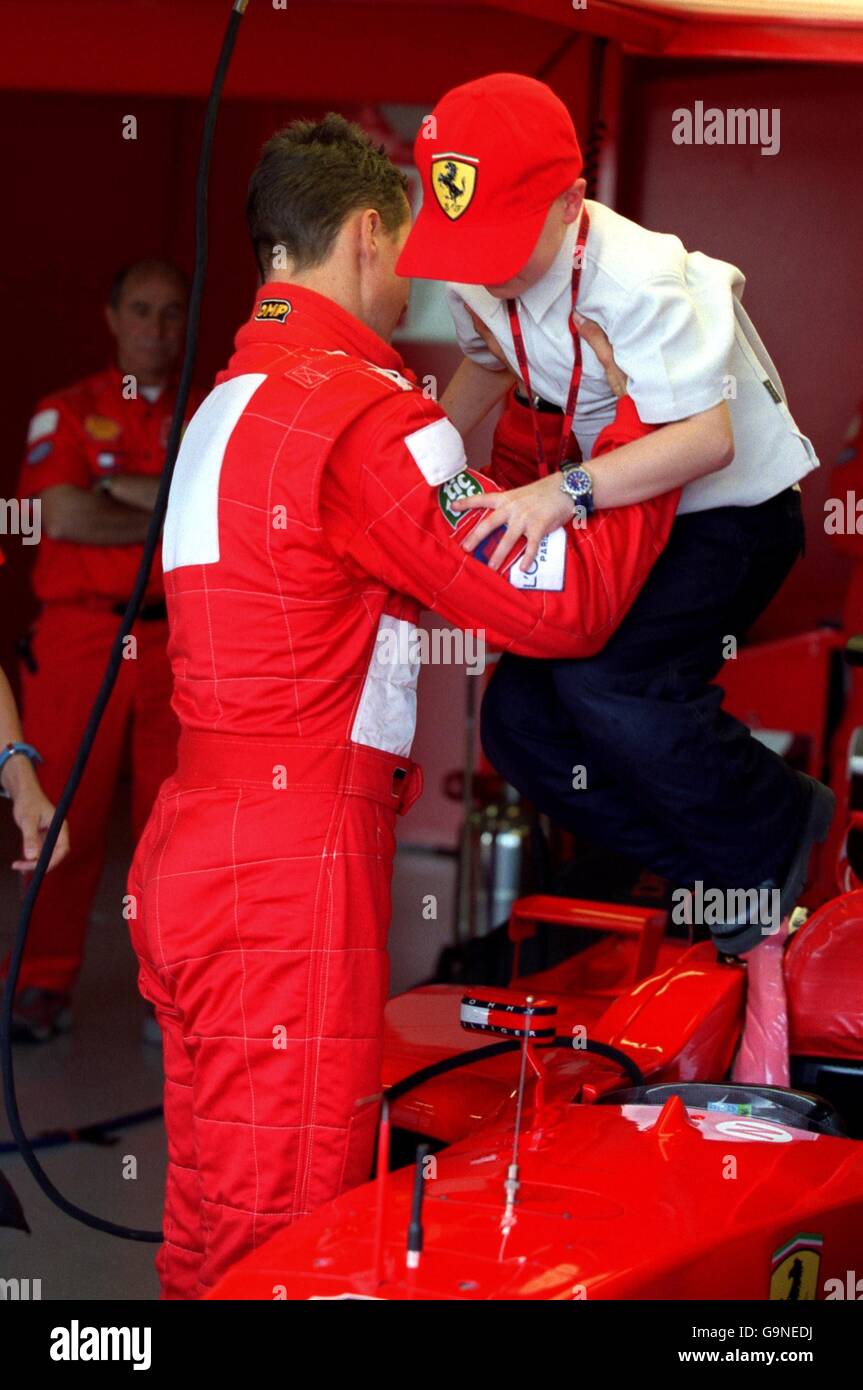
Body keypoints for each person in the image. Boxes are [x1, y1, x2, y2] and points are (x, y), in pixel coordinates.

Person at [126, 114, 682, 1299]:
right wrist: (640, 423)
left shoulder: (234, 394)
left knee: (213, 1223)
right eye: (419, 248)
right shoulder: (366, 414)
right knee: (284, 1238)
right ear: (370, 233)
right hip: (288, 869)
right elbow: (559, 606)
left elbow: (373, 523)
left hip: (196, 843)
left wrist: (478, 377)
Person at [397, 72, 834, 954]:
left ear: (571, 203)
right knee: (520, 724)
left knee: (613, 685)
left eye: (506, 238)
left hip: (729, 512)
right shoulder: (479, 268)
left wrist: (558, 495)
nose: (485, 266)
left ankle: (777, 832)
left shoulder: (641, 277)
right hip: (623, 501)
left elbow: (705, 442)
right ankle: (706, 870)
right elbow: (487, 364)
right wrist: (416, 463)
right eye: (468, 241)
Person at [6, 260, 200, 1043]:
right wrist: (165, 499)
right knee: (57, 817)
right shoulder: (66, 410)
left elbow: (210, 514)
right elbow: (65, 518)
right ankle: (40, 982)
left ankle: (170, 993)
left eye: (172, 313)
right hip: (80, 634)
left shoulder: (205, 412)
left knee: (175, 825)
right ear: (112, 317)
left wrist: (118, 488)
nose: (157, 328)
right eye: (142, 311)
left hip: (176, 635)